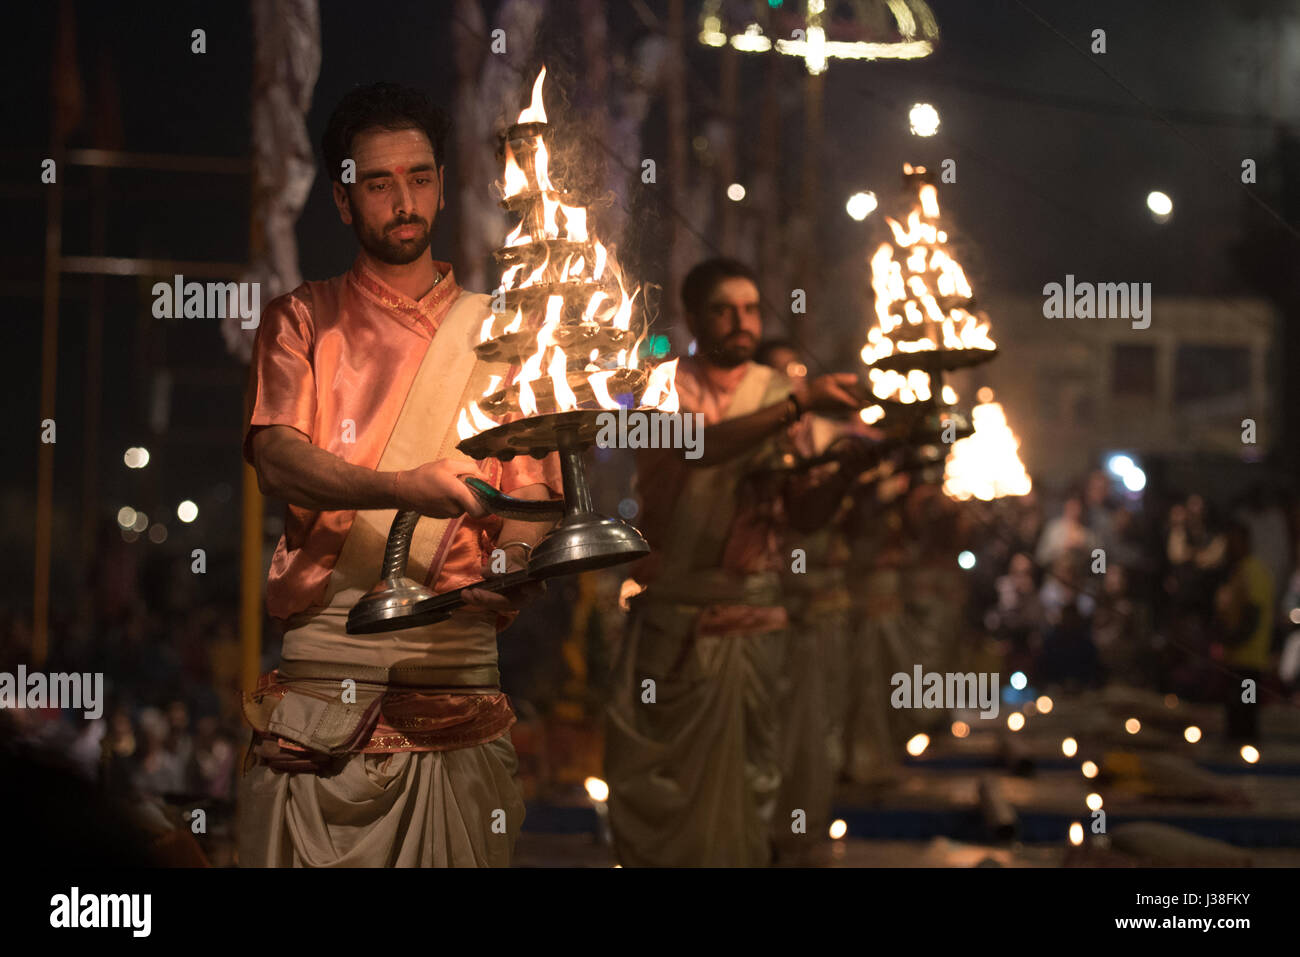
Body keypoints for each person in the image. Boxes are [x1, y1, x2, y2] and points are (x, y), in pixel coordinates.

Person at [237, 83, 562, 867]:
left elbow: (533, 500)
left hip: (458, 659)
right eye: (378, 183)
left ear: (444, 187)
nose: (403, 199)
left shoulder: (505, 331)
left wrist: (511, 575)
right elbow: (278, 458)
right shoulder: (302, 317)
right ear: (345, 201)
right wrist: (400, 487)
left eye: (419, 177)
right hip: (327, 668)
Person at [602, 258, 866, 866]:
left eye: (752, 309)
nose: (743, 322)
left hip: (756, 616)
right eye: (725, 309)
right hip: (675, 612)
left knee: (753, 775)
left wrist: (844, 476)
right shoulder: (660, 385)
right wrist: (799, 403)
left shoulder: (778, 394)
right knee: (661, 774)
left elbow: (801, 514)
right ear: (694, 317)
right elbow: (698, 449)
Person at [1214, 522, 1275, 742]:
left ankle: (1247, 748)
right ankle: (1237, 743)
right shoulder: (1239, 570)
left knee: (1246, 706)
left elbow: (1253, 613)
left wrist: (1233, 640)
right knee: (1235, 707)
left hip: (1249, 657)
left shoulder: (1254, 571)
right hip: (1238, 657)